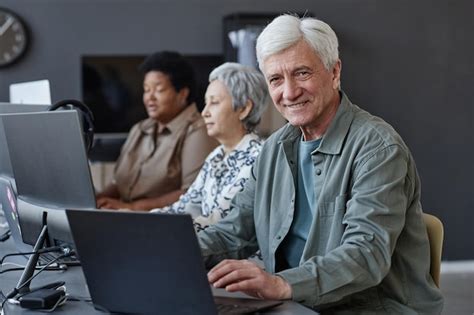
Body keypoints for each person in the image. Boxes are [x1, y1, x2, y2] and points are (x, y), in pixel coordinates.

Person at [198, 14, 444, 314]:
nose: (289, 92)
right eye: (276, 79)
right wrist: (169, 252)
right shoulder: (274, 148)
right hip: (293, 304)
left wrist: (280, 284)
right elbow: (233, 230)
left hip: (372, 307)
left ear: (334, 71)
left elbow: (366, 254)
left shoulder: (379, 148)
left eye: (301, 73)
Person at [152, 62, 269, 232]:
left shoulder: (259, 158)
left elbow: (223, 223)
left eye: (214, 103)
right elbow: (186, 206)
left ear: (244, 109)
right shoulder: (217, 156)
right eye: (206, 103)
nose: (204, 112)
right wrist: (140, 218)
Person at [96, 51, 218, 211]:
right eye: (146, 90)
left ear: (182, 94)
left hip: (161, 222)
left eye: (159, 90)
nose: (149, 97)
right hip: (124, 218)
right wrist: (96, 201)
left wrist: (131, 207)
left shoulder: (199, 130)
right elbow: (118, 184)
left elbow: (191, 194)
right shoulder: (139, 129)